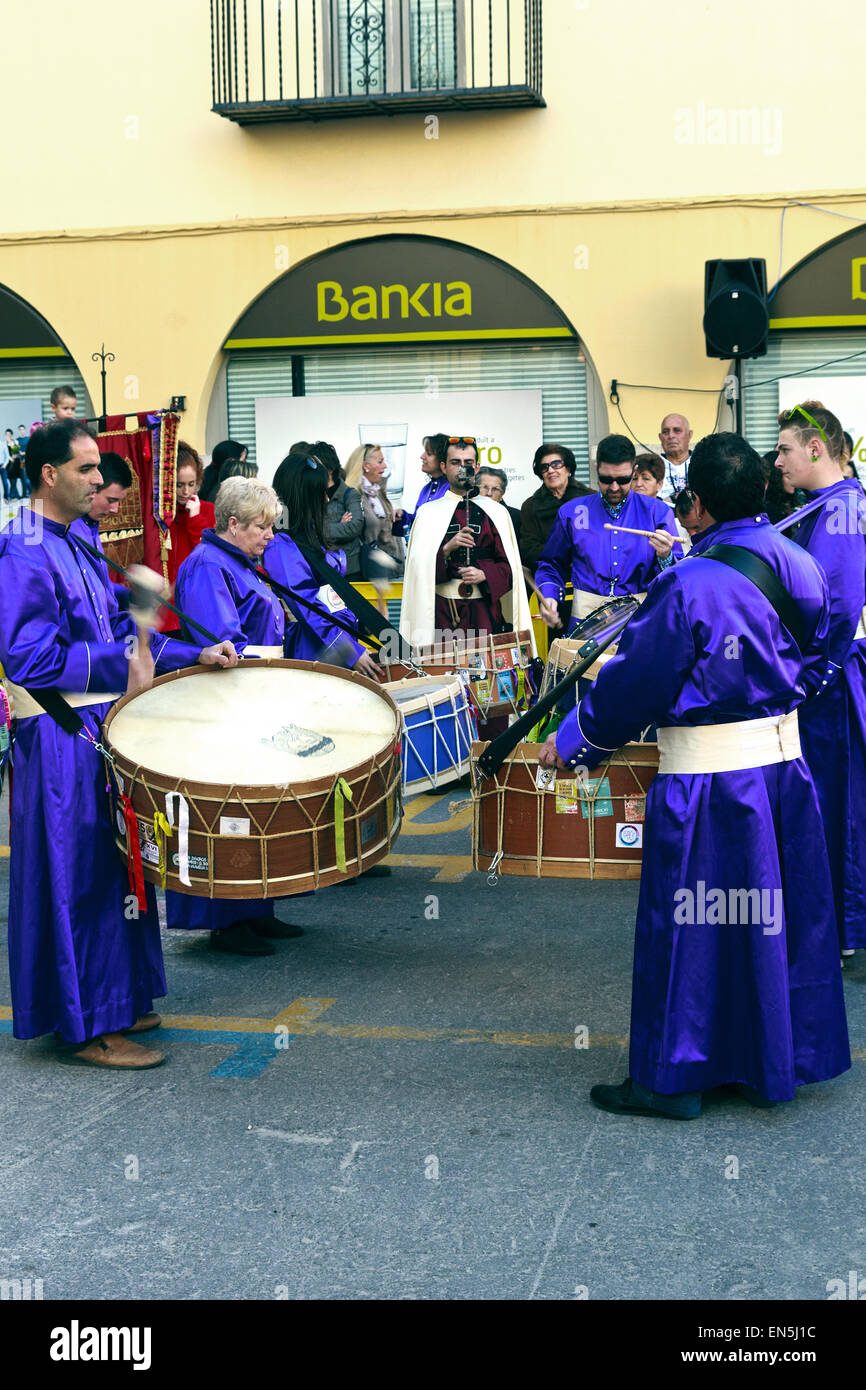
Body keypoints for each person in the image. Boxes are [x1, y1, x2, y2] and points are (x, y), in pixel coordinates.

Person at [538, 431, 850, 1116]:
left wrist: (573, 739)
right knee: (773, 922)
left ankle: (670, 1081)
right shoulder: (801, 563)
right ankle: (773, 1059)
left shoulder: (684, 582)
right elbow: (825, 653)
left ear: (697, 504)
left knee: (690, 929)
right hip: (784, 774)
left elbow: (635, 686)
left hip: (709, 784)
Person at [0, 420, 237, 1069]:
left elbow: (118, 631)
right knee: (78, 872)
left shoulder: (77, 536)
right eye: (85, 469)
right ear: (49, 474)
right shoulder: (20, 547)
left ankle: (116, 998)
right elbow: (25, 657)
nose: (100, 480)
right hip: (55, 735)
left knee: (115, 866)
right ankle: (85, 1026)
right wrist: (116, 667)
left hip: (98, 728)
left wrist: (192, 654)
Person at [168, 476, 305, 955]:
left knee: (257, 806)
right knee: (229, 809)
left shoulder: (234, 560)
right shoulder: (208, 565)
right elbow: (222, 643)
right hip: (230, 700)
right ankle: (227, 919)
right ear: (232, 524)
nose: (270, 536)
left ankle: (255, 908)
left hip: (256, 692)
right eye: (261, 526)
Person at [776, 401, 866, 957]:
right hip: (826, 675)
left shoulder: (841, 510)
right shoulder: (828, 506)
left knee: (833, 801)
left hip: (829, 681)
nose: (778, 460)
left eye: (785, 449)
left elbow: (832, 605)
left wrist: (806, 676)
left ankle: (838, 929)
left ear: (814, 449)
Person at [400, 436, 534, 736]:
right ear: (444, 466)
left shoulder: (496, 513)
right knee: (447, 690)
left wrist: (485, 574)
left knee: (491, 690)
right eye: (457, 463)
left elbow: (510, 568)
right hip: (444, 617)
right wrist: (446, 549)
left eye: (469, 463)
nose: (463, 468)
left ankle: (490, 758)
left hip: (486, 616)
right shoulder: (428, 513)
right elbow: (418, 574)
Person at [535, 434, 676, 635]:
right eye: (606, 479)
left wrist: (666, 556)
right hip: (585, 624)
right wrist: (549, 596)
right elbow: (550, 564)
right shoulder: (573, 512)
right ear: (596, 470)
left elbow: (677, 576)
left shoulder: (657, 512)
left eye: (623, 479)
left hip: (640, 624)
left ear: (634, 471)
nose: (614, 487)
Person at [266, 452, 380, 678]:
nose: (327, 500)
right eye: (321, 494)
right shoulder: (281, 547)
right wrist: (349, 650)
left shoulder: (310, 538)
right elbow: (307, 606)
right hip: (314, 654)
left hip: (338, 647)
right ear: (303, 497)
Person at [518, 444, 592, 571]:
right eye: (544, 467)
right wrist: (566, 556)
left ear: (568, 469)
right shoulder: (530, 506)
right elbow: (529, 549)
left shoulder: (592, 499)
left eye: (556, 464)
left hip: (592, 576)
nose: (550, 471)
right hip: (551, 577)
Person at [344, 443, 404, 581]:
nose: (385, 466)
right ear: (366, 465)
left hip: (388, 570)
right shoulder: (353, 495)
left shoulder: (376, 491)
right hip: (369, 574)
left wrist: (392, 515)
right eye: (380, 461)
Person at [315, 440, 364, 579]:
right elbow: (306, 529)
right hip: (321, 571)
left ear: (329, 469)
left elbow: (354, 527)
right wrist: (339, 526)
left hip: (349, 571)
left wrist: (320, 531)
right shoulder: (311, 496)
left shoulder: (349, 494)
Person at [401, 433, 450, 533]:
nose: (422, 456)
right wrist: (401, 516)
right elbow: (416, 524)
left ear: (442, 459)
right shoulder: (426, 489)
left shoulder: (452, 489)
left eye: (429, 453)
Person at [476, 465, 521, 542]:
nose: (489, 493)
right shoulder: (465, 514)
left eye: (495, 489)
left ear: (502, 494)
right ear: (475, 488)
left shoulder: (517, 517)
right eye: (485, 487)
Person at [200, 438, 248, 503]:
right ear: (232, 462)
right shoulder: (226, 492)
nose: (246, 464)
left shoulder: (208, 480)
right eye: (243, 460)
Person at [657, 413, 693, 499]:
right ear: (660, 437)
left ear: (689, 435)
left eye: (677, 430)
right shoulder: (652, 466)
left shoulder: (701, 463)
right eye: (665, 432)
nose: (671, 436)